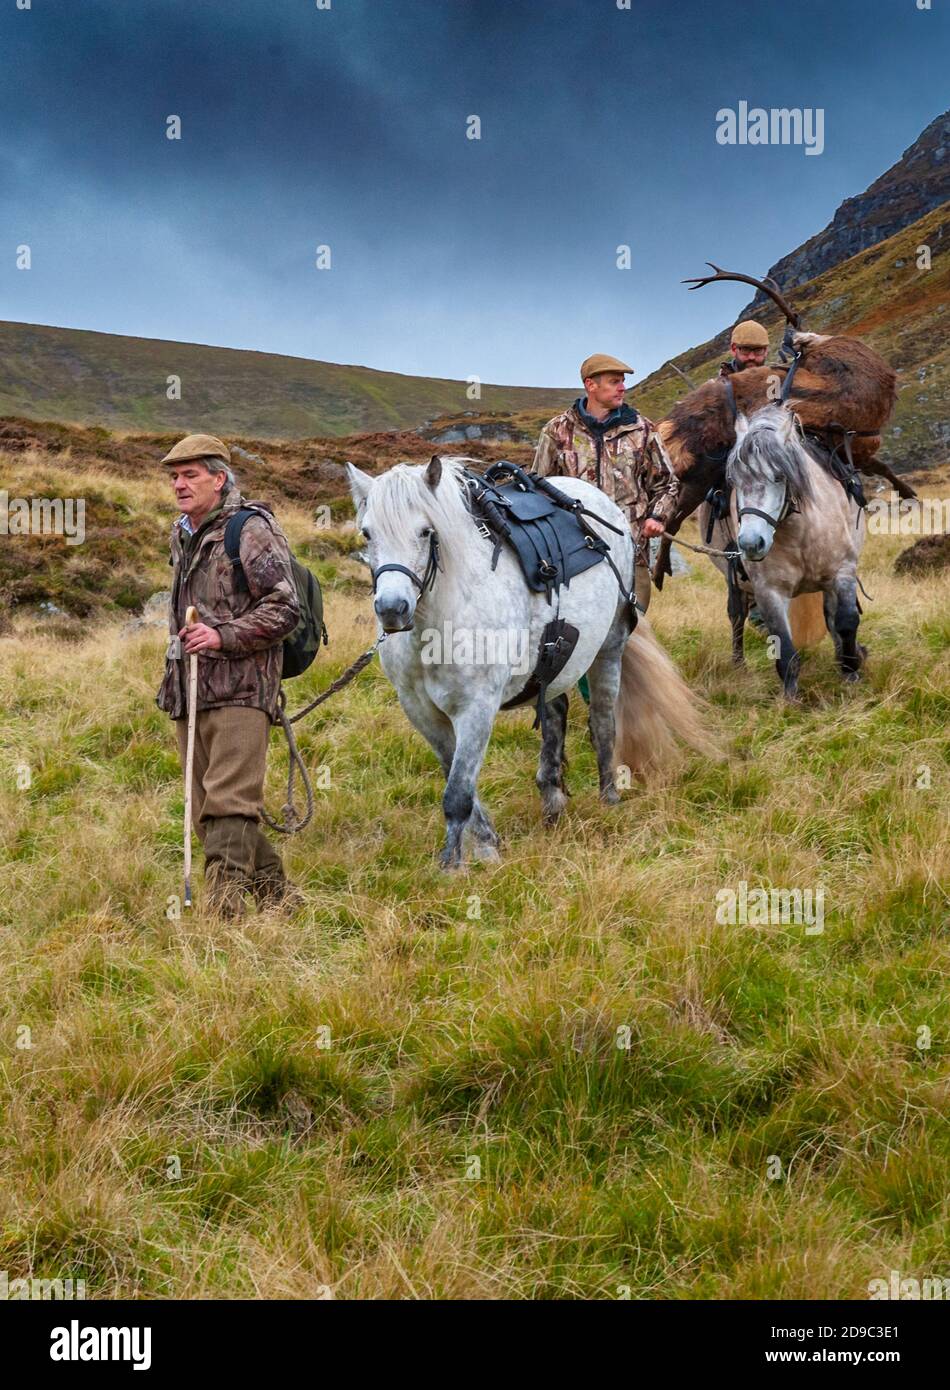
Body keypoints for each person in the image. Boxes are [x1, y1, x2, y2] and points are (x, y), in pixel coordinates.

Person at [156, 433, 301, 918]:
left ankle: (224, 918)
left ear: (219, 479)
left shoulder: (251, 529)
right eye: (175, 476)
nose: (179, 484)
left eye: (190, 474)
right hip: (189, 692)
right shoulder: (182, 533)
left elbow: (285, 608)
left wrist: (222, 636)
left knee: (229, 806)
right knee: (206, 812)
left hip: (242, 689)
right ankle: (280, 900)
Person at [533, 353, 679, 613]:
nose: (622, 387)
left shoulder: (643, 430)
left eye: (622, 381)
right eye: (614, 381)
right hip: (573, 553)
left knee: (633, 628)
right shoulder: (557, 431)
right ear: (591, 385)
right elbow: (538, 488)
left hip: (632, 550)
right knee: (576, 631)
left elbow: (668, 483)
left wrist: (657, 516)